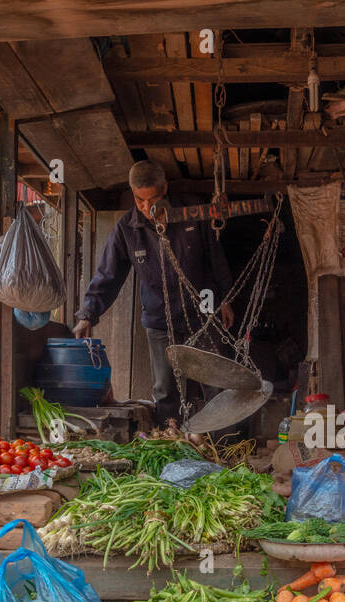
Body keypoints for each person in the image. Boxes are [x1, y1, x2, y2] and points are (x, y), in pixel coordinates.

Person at [73, 160, 234, 425]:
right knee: (166, 390)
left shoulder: (192, 212)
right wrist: (88, 314)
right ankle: (171, 448)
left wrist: (226, 298)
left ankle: (222, 449)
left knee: (215, 384)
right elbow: (107, 276)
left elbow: (216, 258)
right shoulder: (127, 229)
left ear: (165, 189)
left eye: (154, 199)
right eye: (140, 201)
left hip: (203, 315)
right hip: (160, 321)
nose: (148, 208)